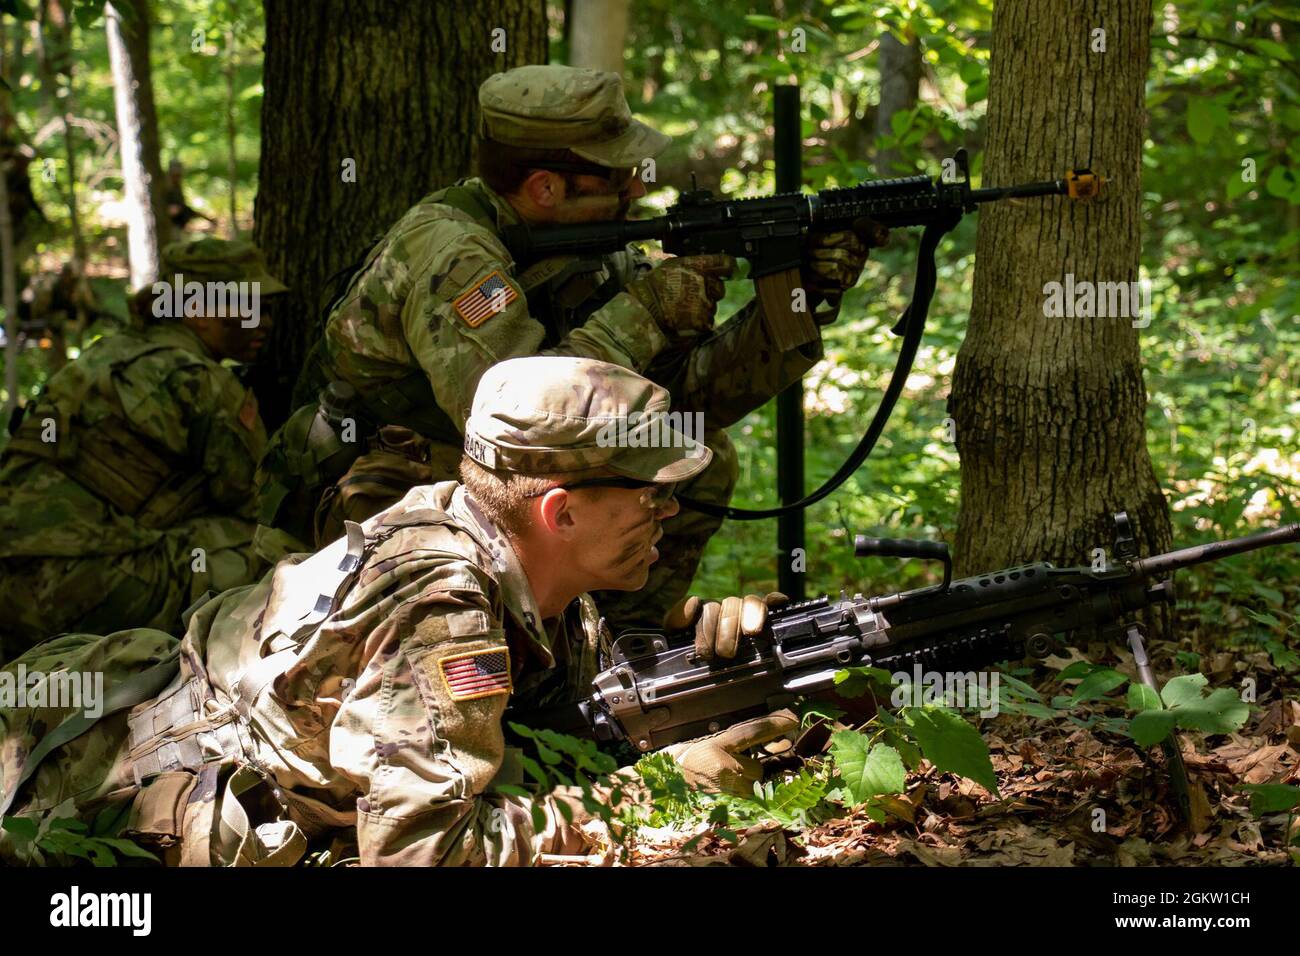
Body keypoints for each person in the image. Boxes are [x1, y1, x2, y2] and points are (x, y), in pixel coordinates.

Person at [0, 357, 795, 866]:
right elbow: (421, 856)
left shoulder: (502, 545)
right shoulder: (440, 609)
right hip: (74, 789)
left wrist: (701, 661)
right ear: (560, 513)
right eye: (649, 495)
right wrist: (649, 795)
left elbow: (569, 706)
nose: (668, 512)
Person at [256, 63, 878, 633]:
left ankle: (612, 645)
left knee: (691, 444)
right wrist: (647, 314)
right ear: (547, 187)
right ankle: (522, 658)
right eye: (615, 175)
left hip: (486, 470)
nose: (636, 189)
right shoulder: (450, 254)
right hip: (384, 485)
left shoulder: (584, 239)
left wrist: (793, 296)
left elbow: (685, 395)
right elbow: (512, 423)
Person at [0, 238, 287, 660]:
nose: (261, 322)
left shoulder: (106, 352)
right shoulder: (203, 382)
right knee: (266, 543)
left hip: (11, 579)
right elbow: (255, 502)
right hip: (72, 591)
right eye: (244, 306)